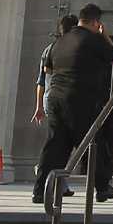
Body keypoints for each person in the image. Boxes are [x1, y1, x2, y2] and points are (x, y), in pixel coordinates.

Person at [36, 4, 113, 202]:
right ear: (96, 22)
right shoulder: (93, 39)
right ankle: (102, 187)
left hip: (56, 98)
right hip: (80, 98)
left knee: (55, 145)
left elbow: (47, 69)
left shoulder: (59, 42)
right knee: (94, 142)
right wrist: (105, 35)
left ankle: (40, 190)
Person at [29, 13, 79, 202]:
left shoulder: (49, 49)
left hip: (51, 99)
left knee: (61, 143)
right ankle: (48, 179)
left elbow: (41, 82)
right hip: (63, 100)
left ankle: (58, 182)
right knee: (62, 143)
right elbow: (43, 79)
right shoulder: (68, 48)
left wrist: (39, 106)